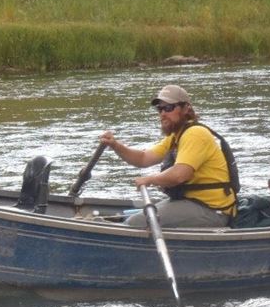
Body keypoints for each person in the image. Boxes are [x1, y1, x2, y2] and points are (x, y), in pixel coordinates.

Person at [99, 85, 239, 228]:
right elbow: (143, 158)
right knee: (136, 218)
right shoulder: (176, 136)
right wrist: (116, 145)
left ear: (186, 109)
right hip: (192, 202)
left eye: (169, 108)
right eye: (160, 109)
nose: (163, 114)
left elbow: (180, 174)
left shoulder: (195, 134)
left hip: (212, 210)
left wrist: (150, 179)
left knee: (136, 223)